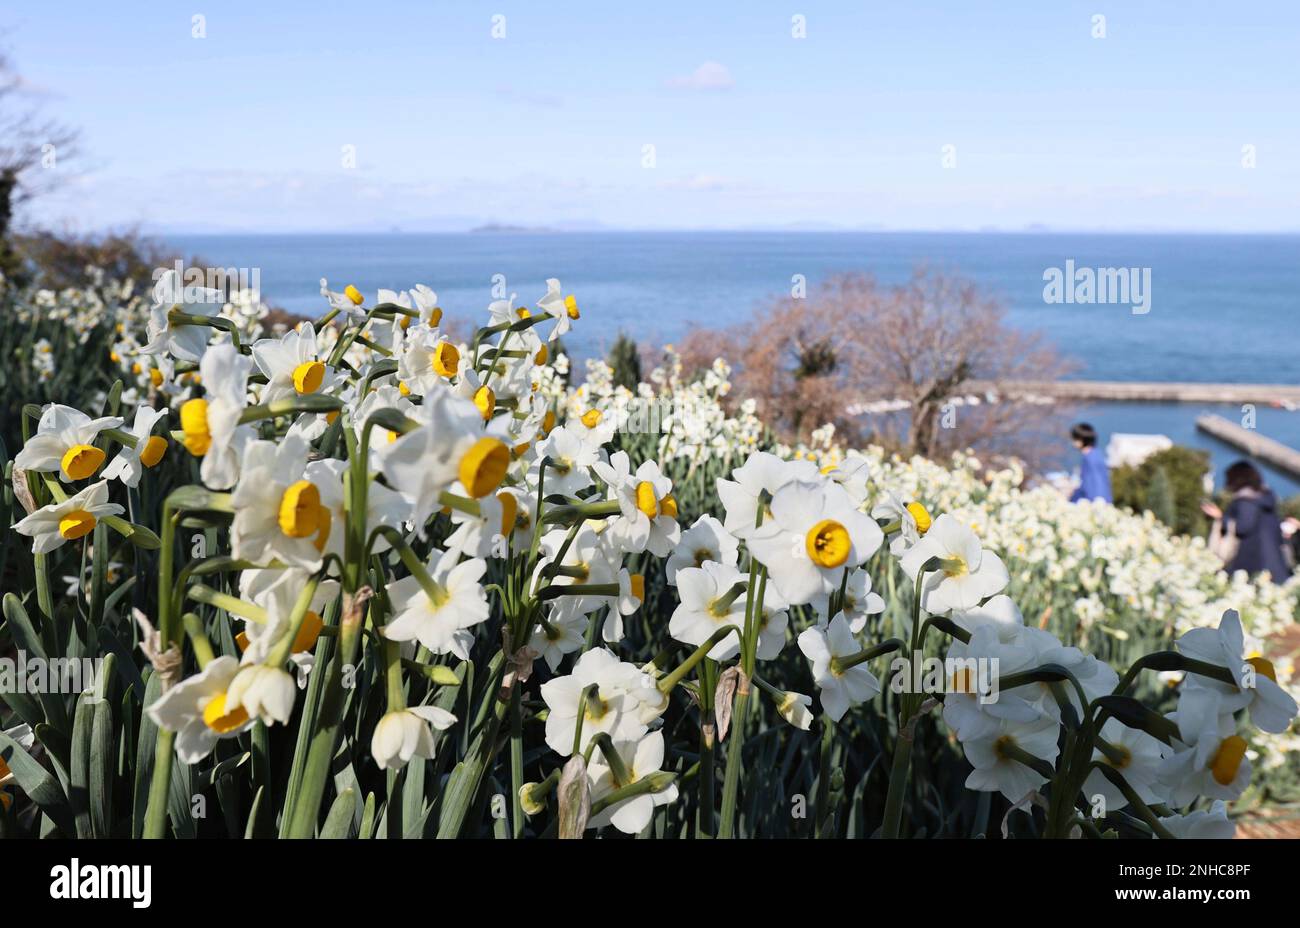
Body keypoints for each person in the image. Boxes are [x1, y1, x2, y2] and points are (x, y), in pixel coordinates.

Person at [1200, 460, 1291, 582]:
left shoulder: (1246, 501)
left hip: (1252, 559)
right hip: (1274, 559)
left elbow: (1243, 527)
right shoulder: (1266, 498)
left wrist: (1220, 517)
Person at [1068, 422, 1112, 503]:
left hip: (1093, 502)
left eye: (1074, 439)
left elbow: (1096, 483)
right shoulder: (1096, 454)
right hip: (1098, 500)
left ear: (1081, 439)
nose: (1072, 442)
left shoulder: (1090, 458)